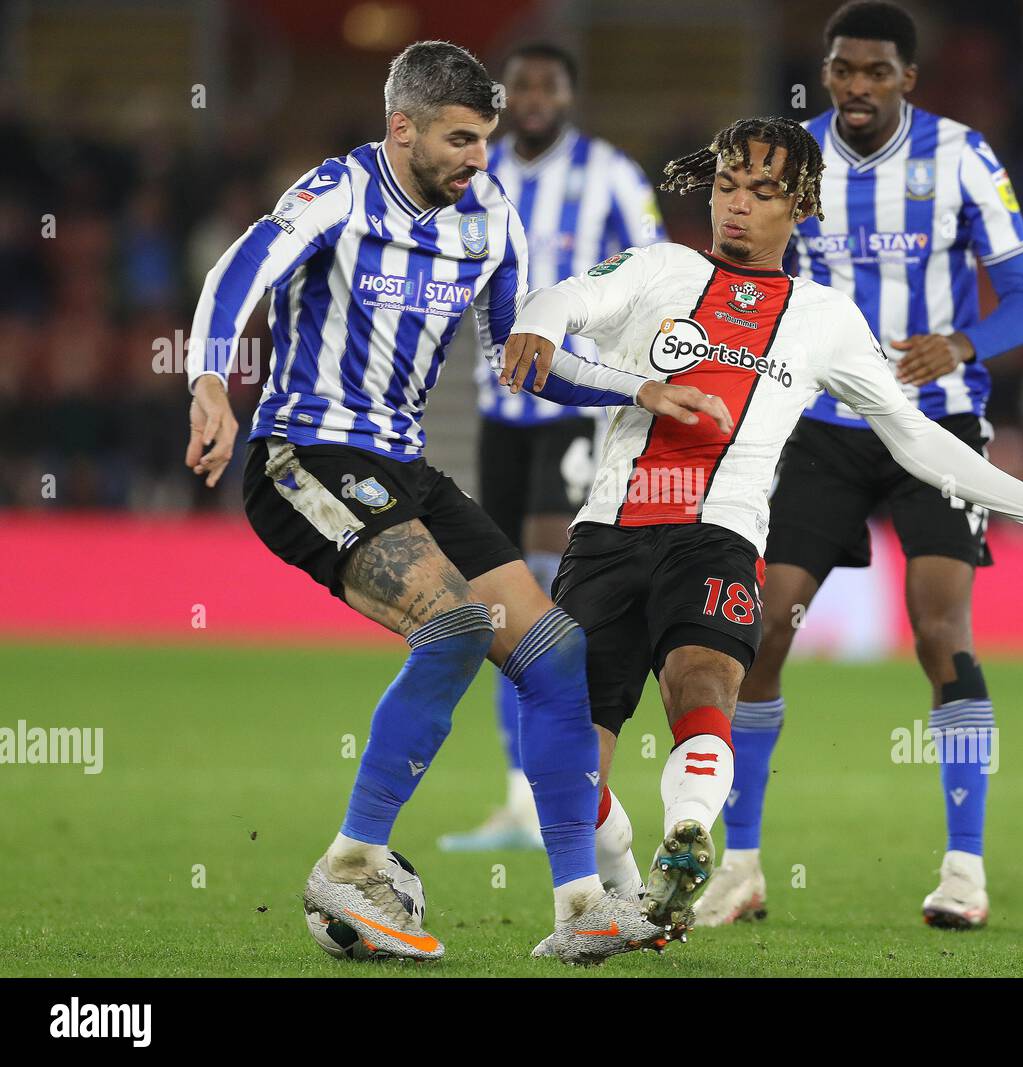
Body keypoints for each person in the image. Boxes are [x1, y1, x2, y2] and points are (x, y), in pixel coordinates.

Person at [500, 115, 1023, 949]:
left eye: (761, 193)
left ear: (799, 206)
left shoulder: (825, 319)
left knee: (703, 687)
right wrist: (543, 323)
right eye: (727, 186)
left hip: (718, 536)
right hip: (609, 533)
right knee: (570, 758)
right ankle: (628, 882)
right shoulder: (661, 268)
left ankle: (689, 835)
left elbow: (917, 439)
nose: (736, 207)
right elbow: (566, 299)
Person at [183, 39, 727, 965]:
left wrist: (638, 389)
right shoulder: (339, 192)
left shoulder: (491, 221)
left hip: (407, 467)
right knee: (457, 625)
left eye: (488, 140)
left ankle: (580, 903)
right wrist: (207, 377)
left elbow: (529, 361)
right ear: (403, 129)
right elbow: (241, 272)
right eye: (463, 140)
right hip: (304, 456)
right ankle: (352, 862)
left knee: (557, 657)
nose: (481, 159)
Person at [699, 1, 1023, 930]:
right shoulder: (791, 162)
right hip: (819, 423)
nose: (857, 86)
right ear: (826, 72)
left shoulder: (963, 157)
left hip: (934, 427)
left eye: (877, 72)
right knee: (764, 624)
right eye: (843, 70)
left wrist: (962, 344)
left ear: (909, 80)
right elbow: (746, 275)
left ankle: (964, 869)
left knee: (939, 631)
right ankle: (740, 865)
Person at [442, 42, 666, 853]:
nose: (535, 97)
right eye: (524, 85)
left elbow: (652, 272)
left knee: (544, 583)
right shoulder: (475, 167)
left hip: (574, 404)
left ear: (571, 94)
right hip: (500, 409)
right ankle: (517, 796)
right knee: (498, 597)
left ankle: (563, 788)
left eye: (550, 85)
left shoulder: (610, 172)